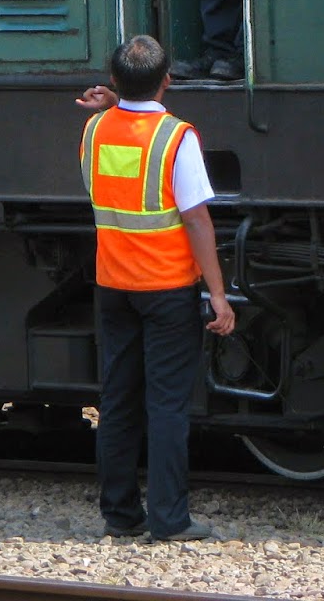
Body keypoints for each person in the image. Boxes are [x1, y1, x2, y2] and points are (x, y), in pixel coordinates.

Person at [76, 34, 236, 542]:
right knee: (165, 407)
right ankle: (170, 519)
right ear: (167, 81)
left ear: (115, 81)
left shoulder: (95, 129)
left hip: (114, 286)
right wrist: (218, 292)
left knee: (117, 401)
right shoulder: (175, 138)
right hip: (166, 289)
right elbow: (197, 221)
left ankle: (120, 516)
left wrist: (110, 106)